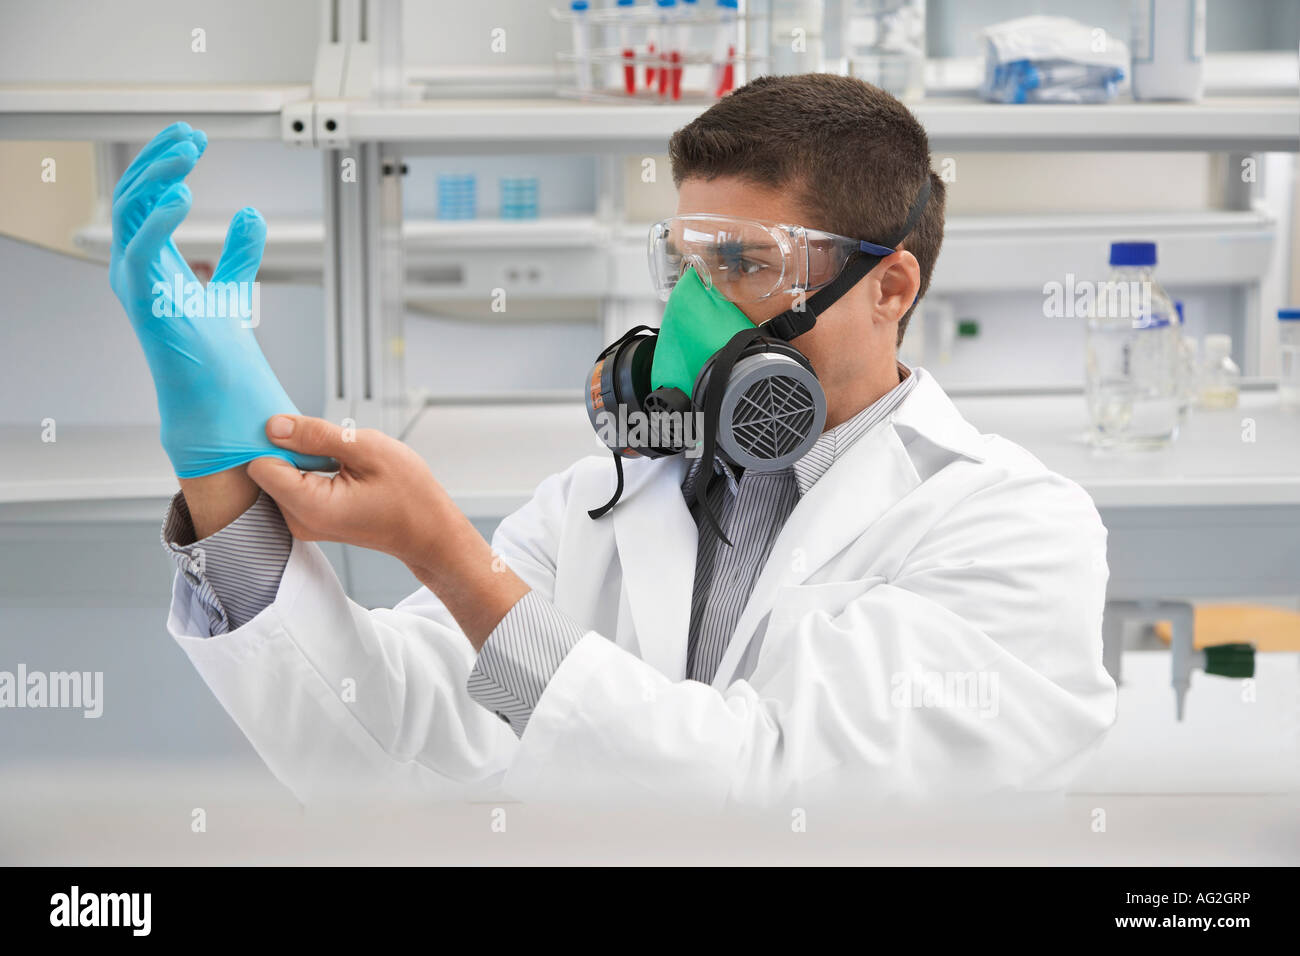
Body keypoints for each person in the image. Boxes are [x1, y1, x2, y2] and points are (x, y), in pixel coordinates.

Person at [111, 75, 1116, 809]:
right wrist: (224, 467)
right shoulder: (600, 497)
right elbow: (385, 743)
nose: (692, 311)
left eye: (744, 265)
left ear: (887, 288)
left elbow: (772, 801)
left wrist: (446, 555)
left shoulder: (1014, 530)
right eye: (682, 264)